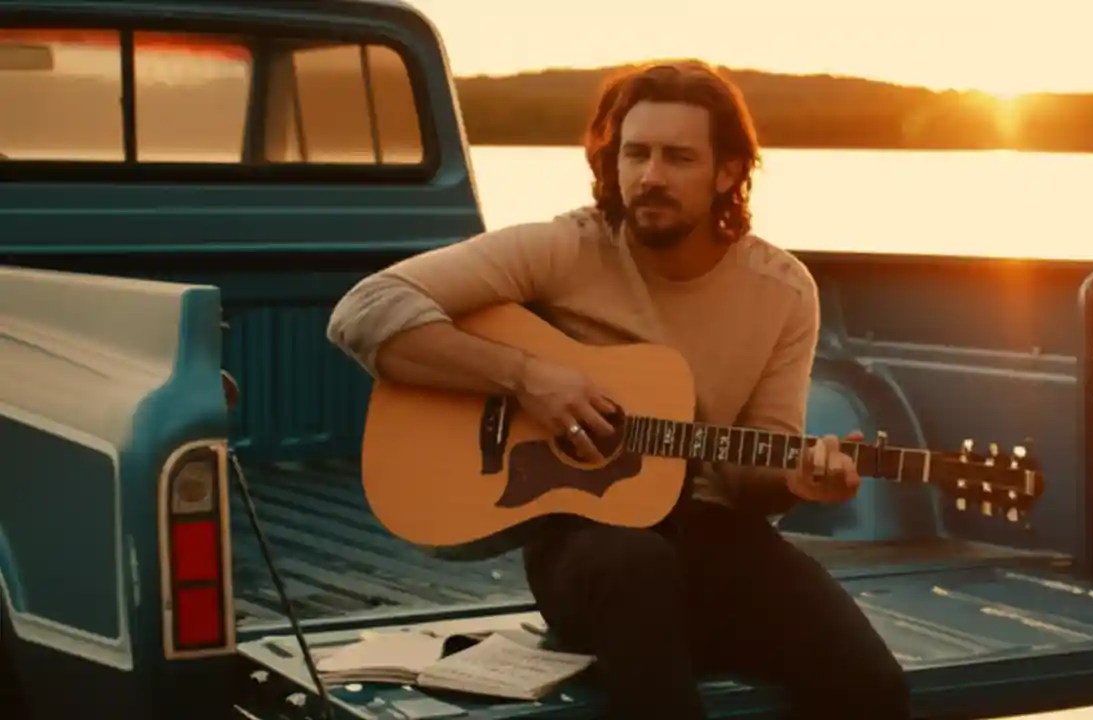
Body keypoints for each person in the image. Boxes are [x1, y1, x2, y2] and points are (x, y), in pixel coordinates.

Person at [326, 60, 910, 720]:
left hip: (709, 538)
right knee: (637, 567)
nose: (651, 176)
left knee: (871, 685)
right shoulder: (566, 247)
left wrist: (796, 481)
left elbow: (755, 470)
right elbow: (365, 309)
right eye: (636, 154)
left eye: (678, 157)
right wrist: (527, 377)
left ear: (726, 173)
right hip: (581, 542)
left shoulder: (782, 290)